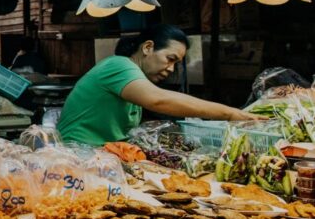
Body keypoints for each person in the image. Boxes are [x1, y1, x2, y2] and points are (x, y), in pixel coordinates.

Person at [57, 24, 258, 145]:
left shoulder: (136, 79)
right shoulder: (118, 65)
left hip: (100, 157)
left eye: (176, 64)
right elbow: (159, 100)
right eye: (169, 59)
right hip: (77, 157)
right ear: (148, 47)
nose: (171, 69)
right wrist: (231, 114)